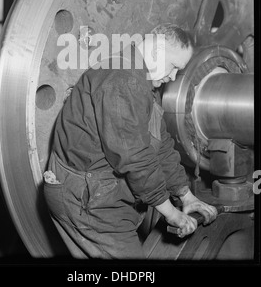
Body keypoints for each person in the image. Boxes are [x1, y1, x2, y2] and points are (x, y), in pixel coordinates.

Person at [43, 23, 217, 259]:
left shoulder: (142, 79)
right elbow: (134, 157)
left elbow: (160, 144)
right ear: (157, 50)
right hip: (85, 196)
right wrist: (170, 212)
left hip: (100, 189)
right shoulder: (123, 80)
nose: (173, 76)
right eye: (174, 66)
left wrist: (185, 195)